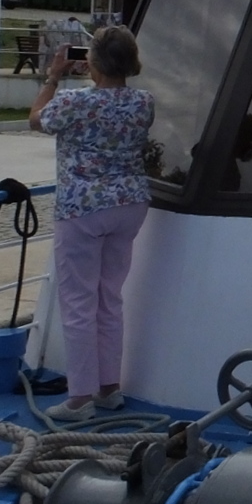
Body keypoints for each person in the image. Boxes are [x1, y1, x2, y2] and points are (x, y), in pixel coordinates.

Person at [28, 26, 154, 422]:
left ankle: (79, 398)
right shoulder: (144, 103)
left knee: (79, 302)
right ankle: (109, 389)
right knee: (109, 298)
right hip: (130, 204)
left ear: (92, 61)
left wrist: (54, 76)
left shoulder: (73, 103)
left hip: (82, 208)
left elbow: (36, 119)